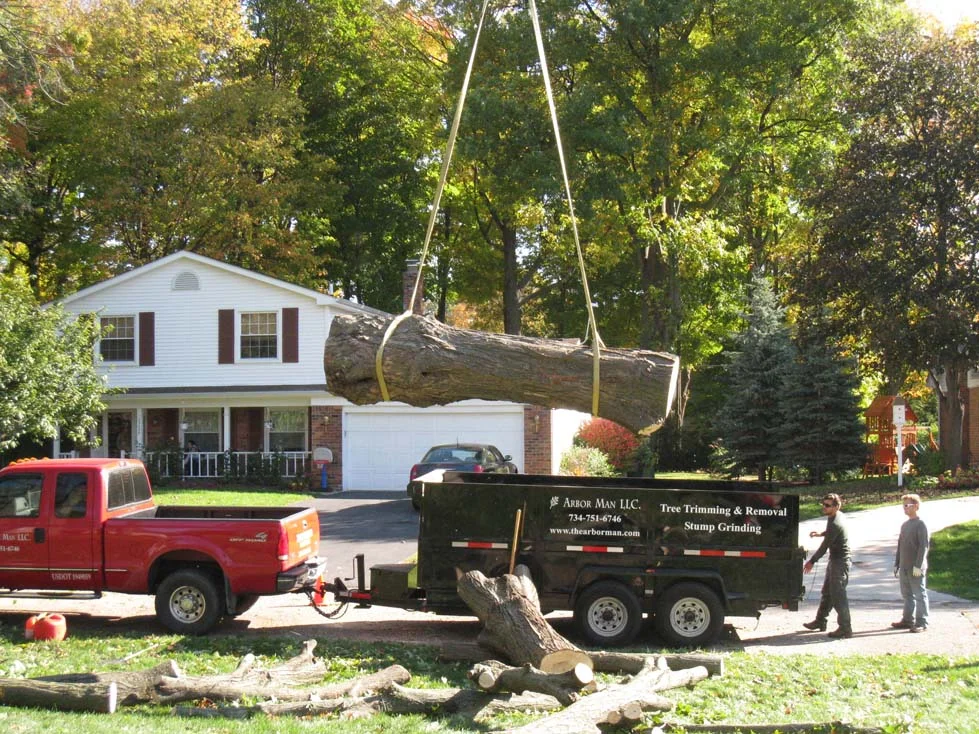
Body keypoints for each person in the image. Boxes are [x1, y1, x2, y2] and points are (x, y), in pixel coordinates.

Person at [802, 493, 852, 638]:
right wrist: (821, 534)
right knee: (827, 592)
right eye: (823, 504)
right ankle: (820, 621)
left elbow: (824, 546)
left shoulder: (836, 522)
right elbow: (831, 533)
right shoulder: (835, 517)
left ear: (836, 507)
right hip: (835, 559)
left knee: (838, 595)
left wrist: (812, 561)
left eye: (827, 505)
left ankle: (845, 628)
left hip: (841, 561)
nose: (824, 507)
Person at [892, 493, 929, 633]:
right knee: (907, 595)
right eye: (904, 505)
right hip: (904, 566)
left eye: (907, 505)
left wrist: (918, 566)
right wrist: (897, 563)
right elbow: (900, 545)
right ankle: (907, 620)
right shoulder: (905, 525)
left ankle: (922, 622)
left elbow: (923, 547)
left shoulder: (921, 524)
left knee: (919, 594)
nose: (905, 508)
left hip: (916, 567)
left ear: (916, 506)